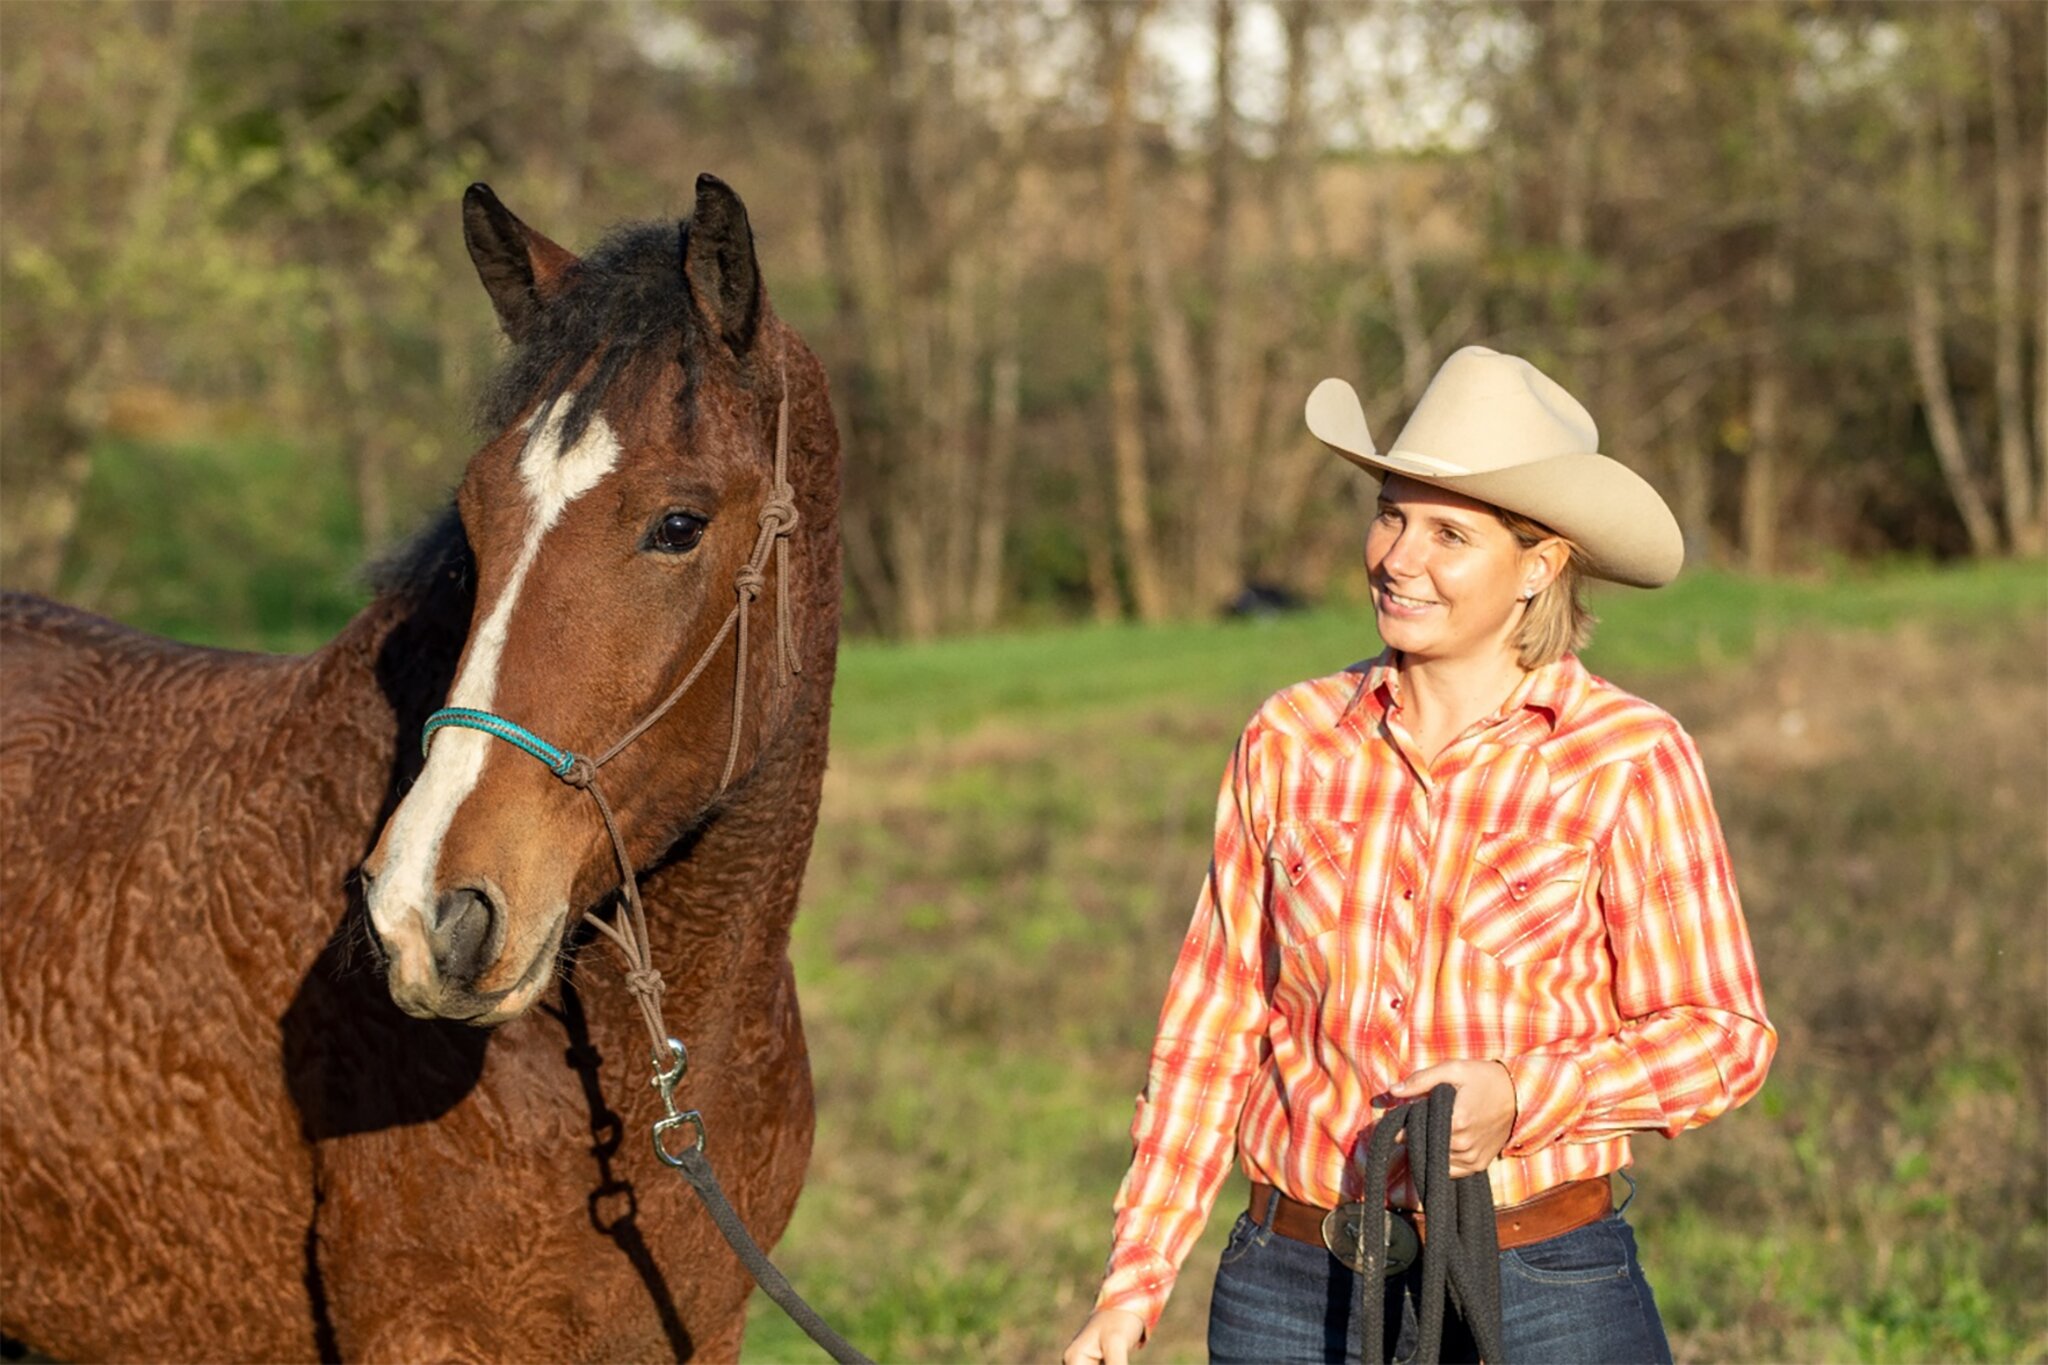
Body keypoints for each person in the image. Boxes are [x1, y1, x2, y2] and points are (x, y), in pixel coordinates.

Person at [1063, 347, 1776, 1365]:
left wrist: (1523, 1095)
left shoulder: (1624, 757)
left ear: (1539, 565)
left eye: (1449, 532)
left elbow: (1721, 1037)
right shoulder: (1289, 738)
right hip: (1289, 1285)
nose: (1398, 556)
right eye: (1391, 513)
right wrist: (1130, 1289)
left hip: (1538, 1287)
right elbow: (1210, 1022)